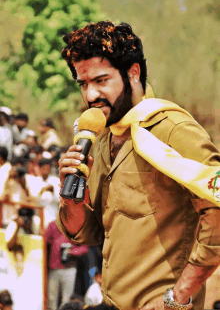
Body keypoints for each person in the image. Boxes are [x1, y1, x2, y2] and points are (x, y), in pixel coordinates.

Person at [57, 21, 220, 310]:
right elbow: (90, 233)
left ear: (133, 73)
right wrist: (72, 201)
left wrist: (179, 297)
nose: (90, 96)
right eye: (83, 84)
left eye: (101, 80)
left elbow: (217, 206)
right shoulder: (103, 138)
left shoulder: (173, 130)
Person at [46, 220, 88, 310]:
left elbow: (84, 247)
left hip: (69, 269)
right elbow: (45, 243)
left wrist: (72, 252)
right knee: (51, 299)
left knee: (66, 300)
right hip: (54, 268)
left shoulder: (76, 226)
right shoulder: (53, 225)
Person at [38, 158, 60, 227]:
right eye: (44, 168)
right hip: (38, 218)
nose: (46, 170)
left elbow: (60, 200)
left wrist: (52, 191)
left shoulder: (55, 181)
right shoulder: (35, 180)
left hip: (52, 218)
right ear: (40, 168)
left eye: (48, 168)